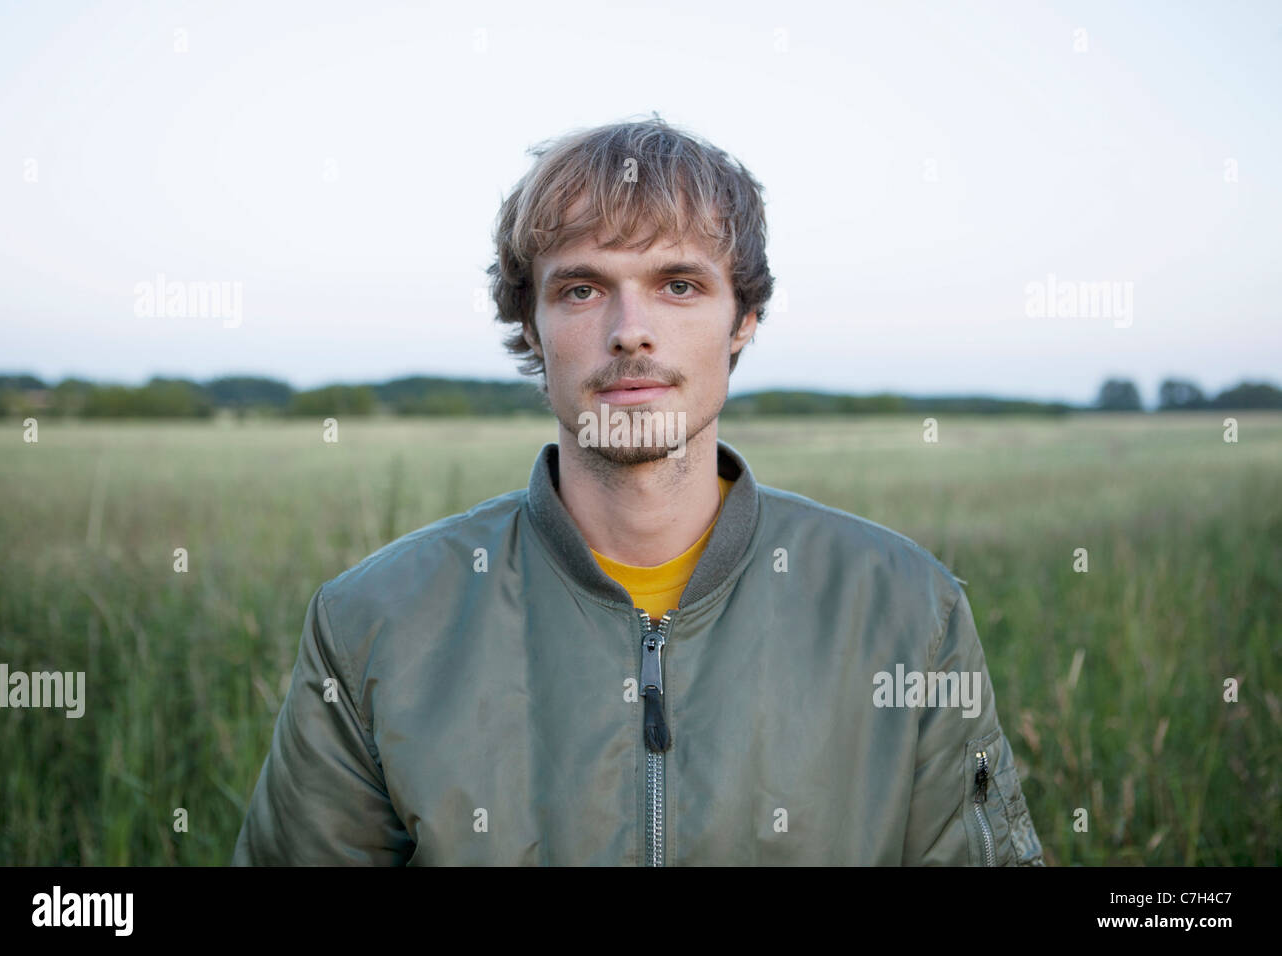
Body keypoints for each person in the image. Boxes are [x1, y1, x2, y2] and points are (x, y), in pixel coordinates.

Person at [232, 116, 1045, 866]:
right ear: (530, 327)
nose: (630, 328)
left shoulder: (904, 607)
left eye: (679, 285)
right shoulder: (376, 620)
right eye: (581, 288)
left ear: (744, 320)